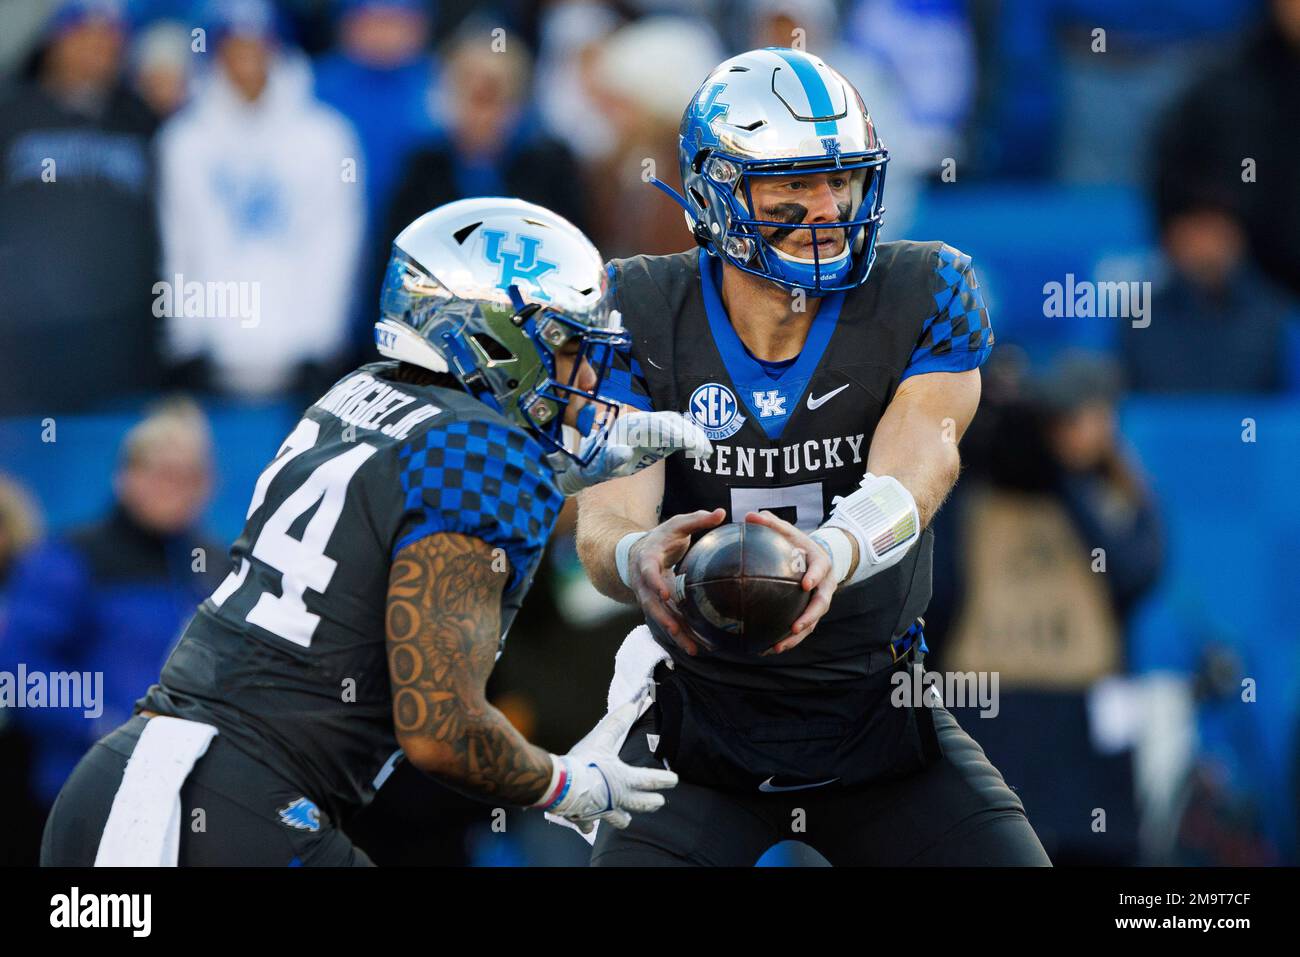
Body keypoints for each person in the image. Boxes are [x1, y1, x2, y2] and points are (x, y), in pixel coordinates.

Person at [40, 197, 710, 866]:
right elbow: (440, 731)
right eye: (568, 345)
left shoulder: (357, 390)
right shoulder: (483, 457)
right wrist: (565, 783)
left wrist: (565, 465)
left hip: (123, 783)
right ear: (497, 337)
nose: (587, 374)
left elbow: (419, 483)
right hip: (229, 813)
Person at [575, 48, 1050, 865]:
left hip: (877, 716)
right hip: (699, 730)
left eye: (844, 180)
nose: (830, 207)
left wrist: (833, 550)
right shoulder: (639, 307)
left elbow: (920, 464)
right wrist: (635, 554)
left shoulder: (927, 289)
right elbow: (606, 518)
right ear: (717, 192)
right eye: (795, 184)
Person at [3, 398, 224, 811]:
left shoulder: (218, 567)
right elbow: (20, 665)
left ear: (208, 484)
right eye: (161, 473)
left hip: (188, 795)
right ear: (127, 476)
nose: (173, 489)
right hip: (86, 790)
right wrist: (101, 724)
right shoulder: (68, 558)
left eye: (188, 476)